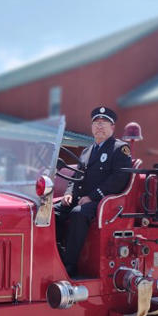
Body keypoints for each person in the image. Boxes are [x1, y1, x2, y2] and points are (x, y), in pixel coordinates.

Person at [55, 105, 133, 276]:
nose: (99, 126)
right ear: (91, 127)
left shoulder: (119, 149)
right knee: (51, 212)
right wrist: (68, 193)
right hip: (81, 198)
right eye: (96, 122)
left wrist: (91, 197)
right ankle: (55, 255)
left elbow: (119, 179)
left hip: (103, 202)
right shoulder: (86, 151)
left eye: (104, 123)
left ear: (112, 127)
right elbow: (77, 176)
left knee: (78, 213)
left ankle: (70, 264)